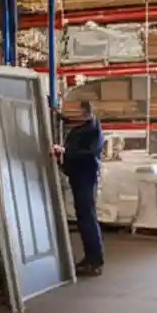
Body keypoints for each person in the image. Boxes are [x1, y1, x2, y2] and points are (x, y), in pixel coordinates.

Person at [53, 100, 104, 276]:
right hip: (78, 175)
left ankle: (95, 261)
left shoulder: (92, 129)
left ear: (83, 113)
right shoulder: (81, 126)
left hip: (86, 177)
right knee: (83, 217)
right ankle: (90, 259)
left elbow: (88, 154)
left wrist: (64, 152)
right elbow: (64, 119)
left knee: (87, 218)